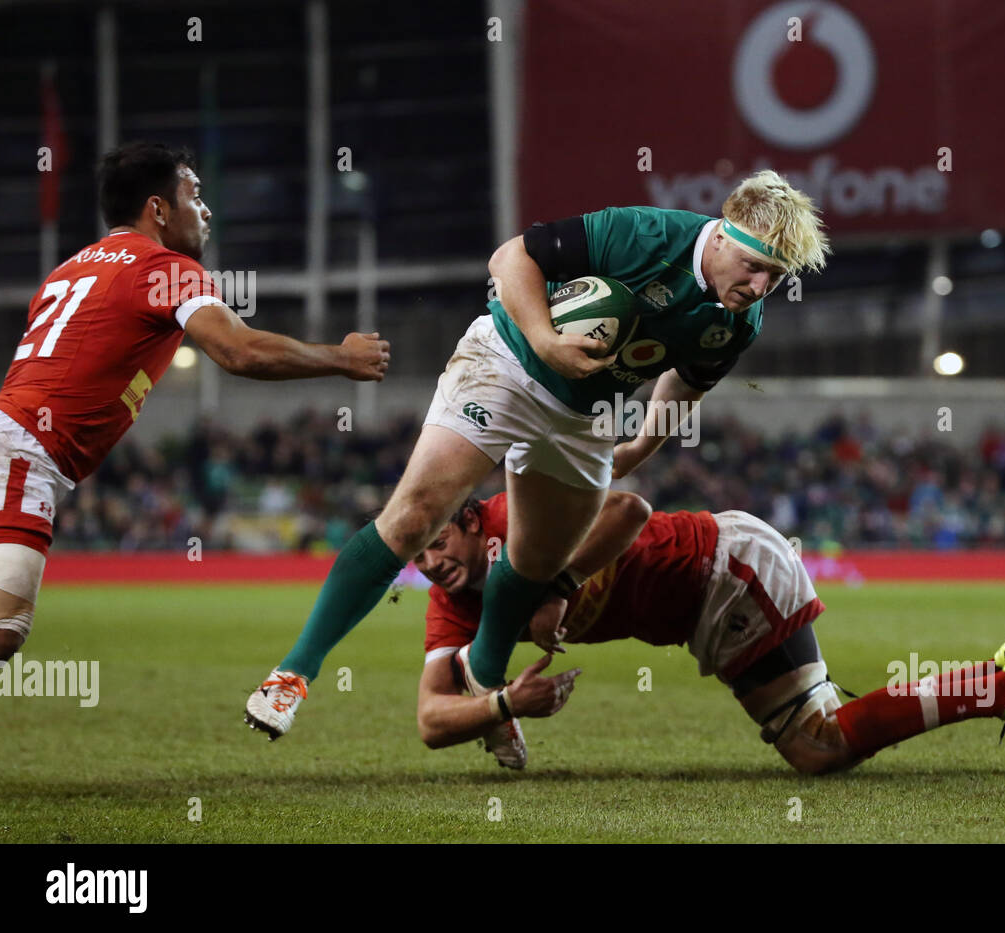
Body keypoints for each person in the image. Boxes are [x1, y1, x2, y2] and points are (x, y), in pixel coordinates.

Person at [247, 170, 831, 743]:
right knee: (414, 516)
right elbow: (509, 260)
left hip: (586, 417)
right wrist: (548, 342)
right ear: (724, 234)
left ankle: (484, 683)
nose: (759, 288)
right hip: (507, 365)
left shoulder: (738, 321)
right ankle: (292, 676)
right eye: (754, 268)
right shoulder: (645, 234)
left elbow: (685, 384)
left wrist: (637, 448)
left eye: (775, 278)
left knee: (532, 566)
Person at [0, 142, 390, 664]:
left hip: (9, 434)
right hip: (24, 452)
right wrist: (341, 357)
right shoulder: (163, 266)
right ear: (158, 209)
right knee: (3, 630)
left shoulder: (66, 272)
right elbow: (239, 350)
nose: (205, 211)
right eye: (195, 195)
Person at [413, 492, 1005, 775]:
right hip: (704, 609)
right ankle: (1003, 674)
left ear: (474, 522)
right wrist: (501, 706)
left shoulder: (519, 512)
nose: (432, 564)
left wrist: (560, 584)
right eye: (417, 558)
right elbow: (431, 719)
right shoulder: (452, 601)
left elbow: (627, 506)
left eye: (438, 543)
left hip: (723, 567)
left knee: (816, 745)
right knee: (823, 731)